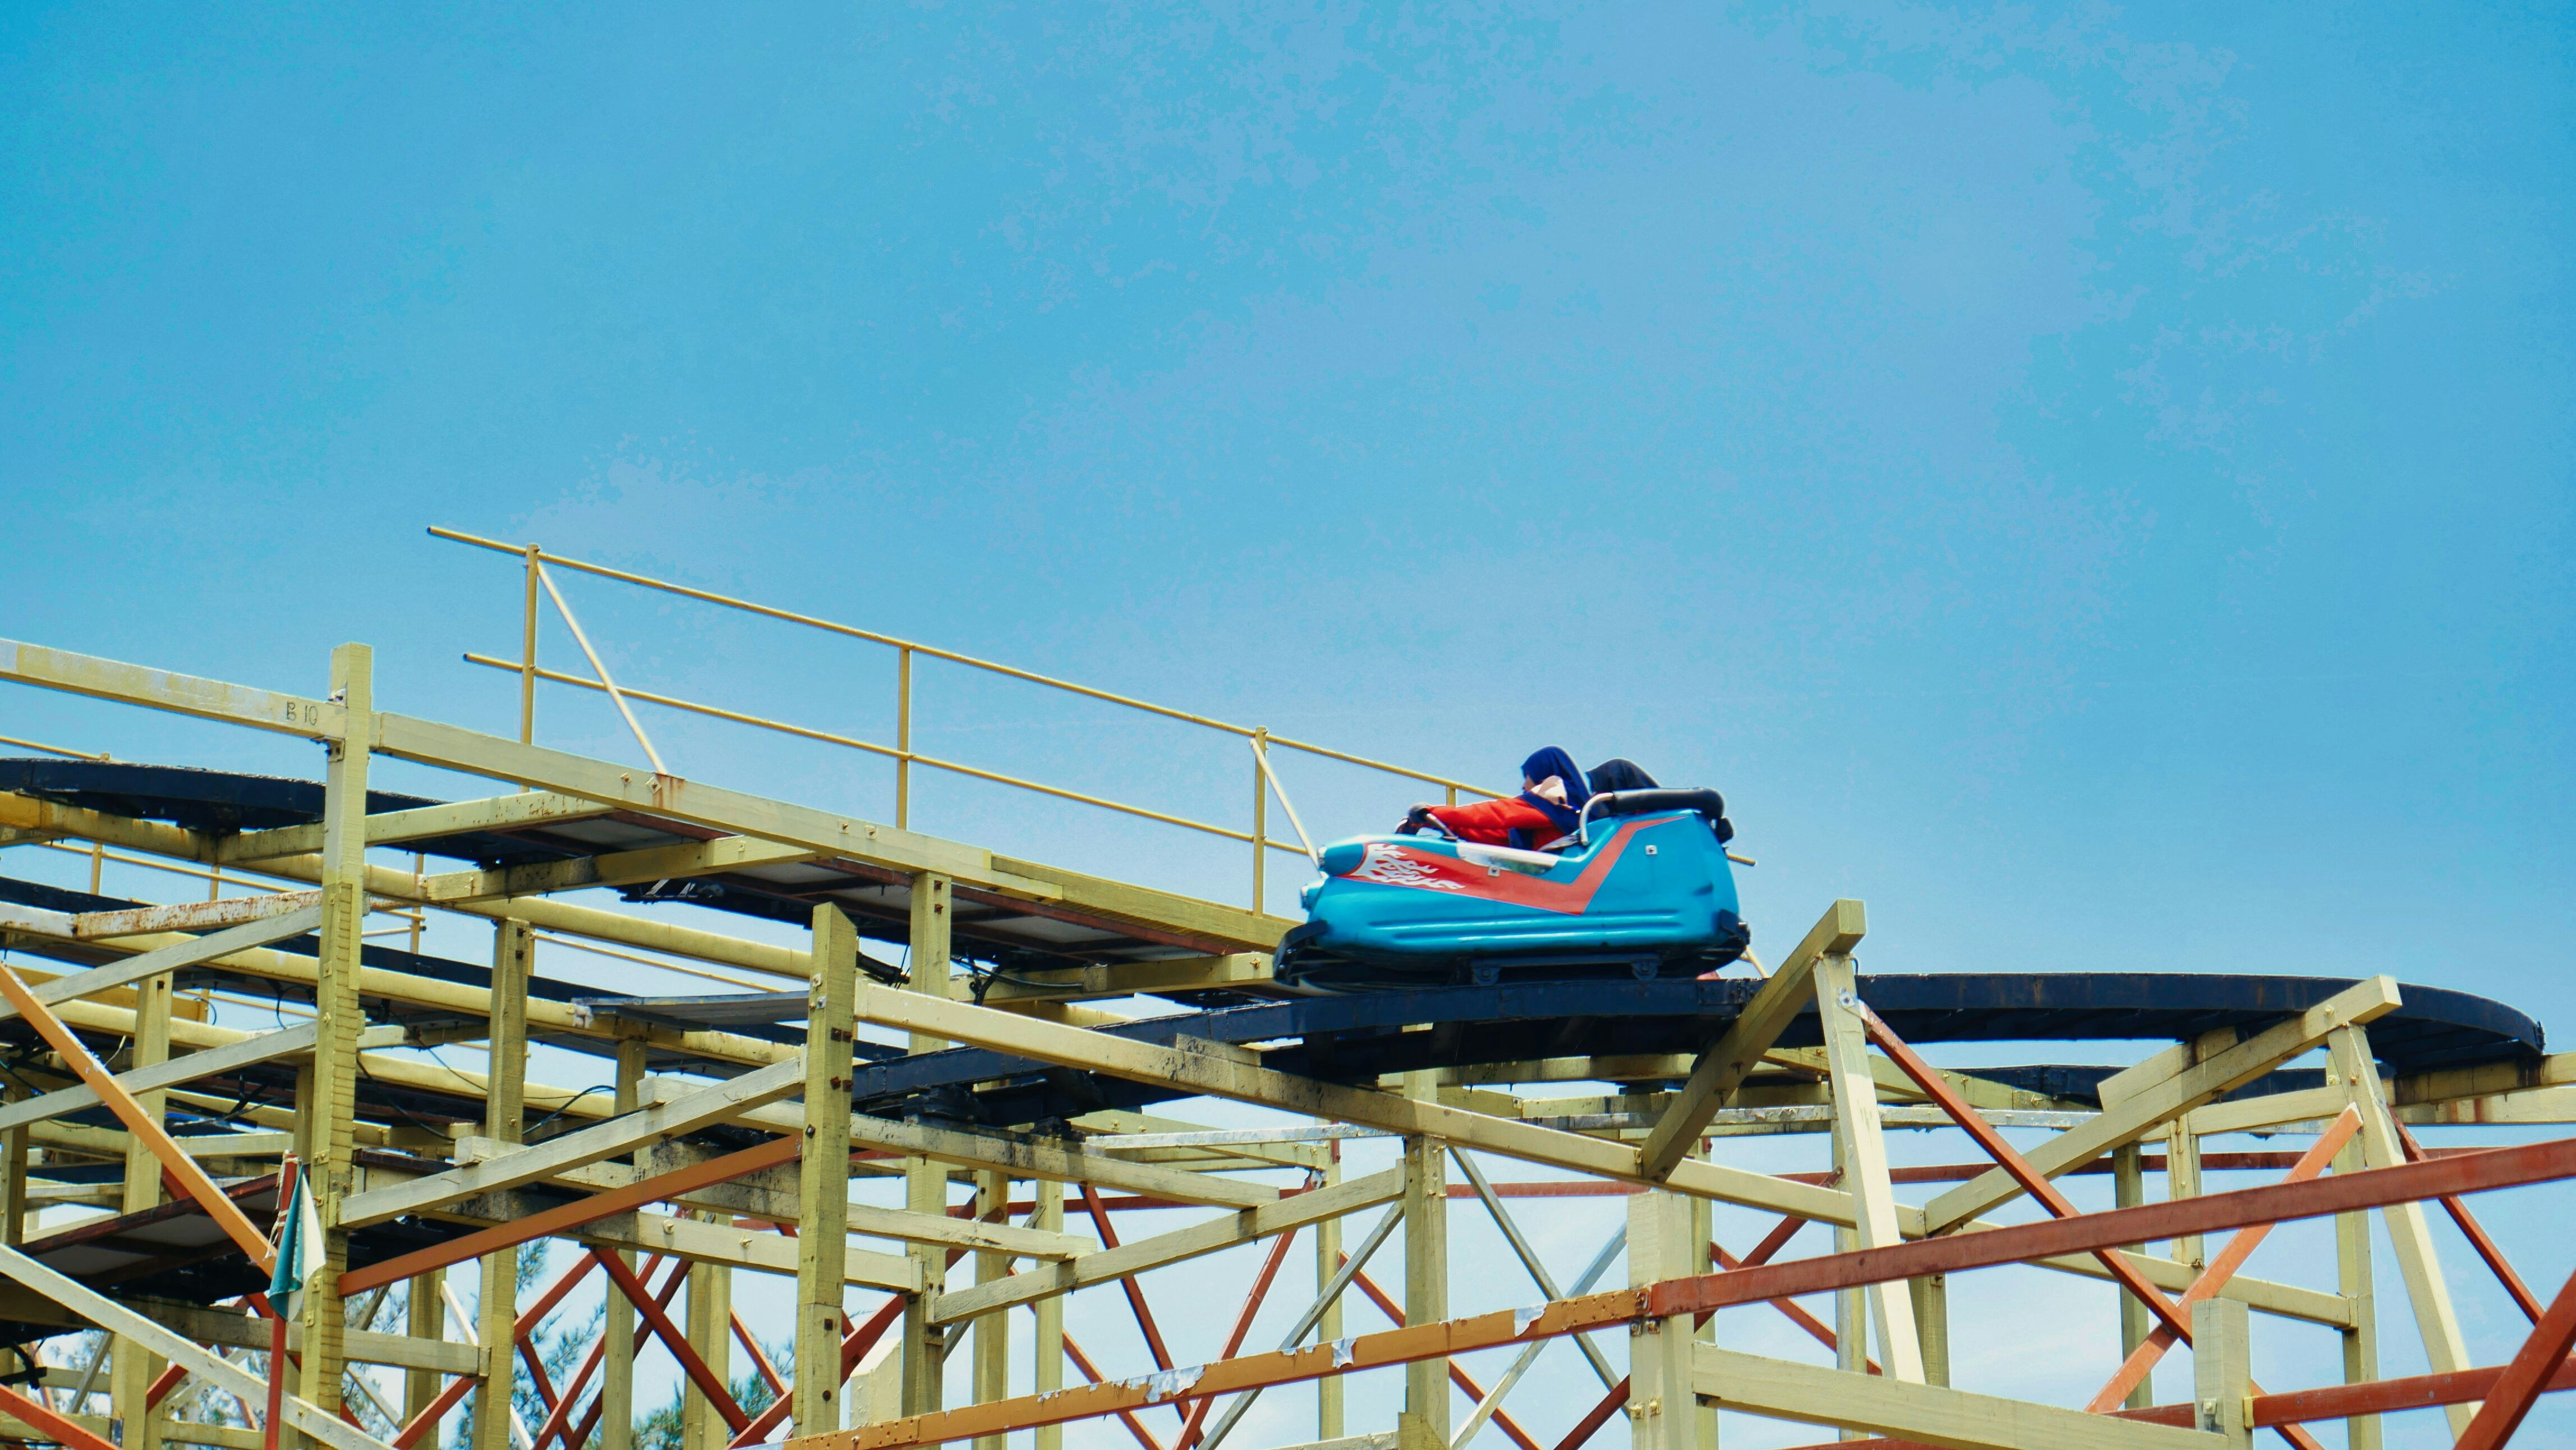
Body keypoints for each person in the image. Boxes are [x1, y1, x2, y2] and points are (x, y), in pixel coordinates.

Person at [1402, 747, 1593, 848]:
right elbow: (1499, 836)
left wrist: (1435, 812)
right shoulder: (1566, 813)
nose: (1524, 786)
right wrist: (1434, 823)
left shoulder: (1555, 801)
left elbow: (1496, 814)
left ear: (1542, 775)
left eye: (1527, 777)